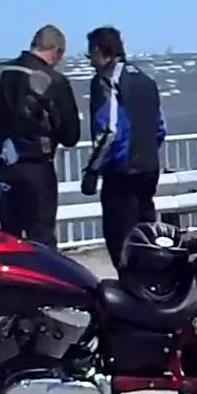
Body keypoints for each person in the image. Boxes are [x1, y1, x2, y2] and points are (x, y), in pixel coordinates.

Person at [0, 24, 80, 249]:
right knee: (41, 238)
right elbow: (70, 135)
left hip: (1, 167)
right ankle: (41, 283)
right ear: (57, 51)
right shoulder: (53, 80)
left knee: (7, 236)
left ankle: (8, 281)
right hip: (36, 168)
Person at [80, 26, 167, 268]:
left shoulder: (106, 80)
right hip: (149, 168)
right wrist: (146, 152)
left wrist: (92, 170)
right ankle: (154, 287)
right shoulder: (145, 79)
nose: (90, 62)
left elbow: (109, 129)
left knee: (121, 241)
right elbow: (160, 127)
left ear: (98, 50)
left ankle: (131, 293)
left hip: (122, 173)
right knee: (146, 236)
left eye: (90, 55)